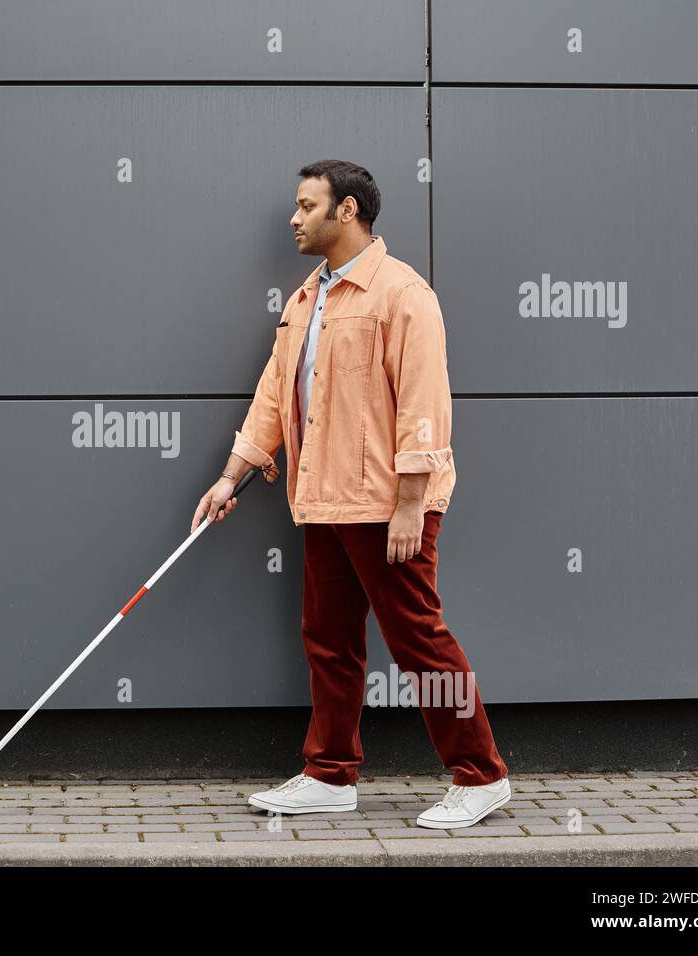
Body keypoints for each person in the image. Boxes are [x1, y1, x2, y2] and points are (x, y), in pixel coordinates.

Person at [190, 160, 511, 829]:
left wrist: (410, 501)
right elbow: (275, 395)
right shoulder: (307, 299)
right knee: (329, 640)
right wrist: (233, 473)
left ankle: (481, 776)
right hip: (323, 500)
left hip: (387, 505)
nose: (293, 218)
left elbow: (426, 401)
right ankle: (330, 774)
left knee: (419, 640)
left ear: (347, 212)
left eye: (307, 206)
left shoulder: (402, 293)